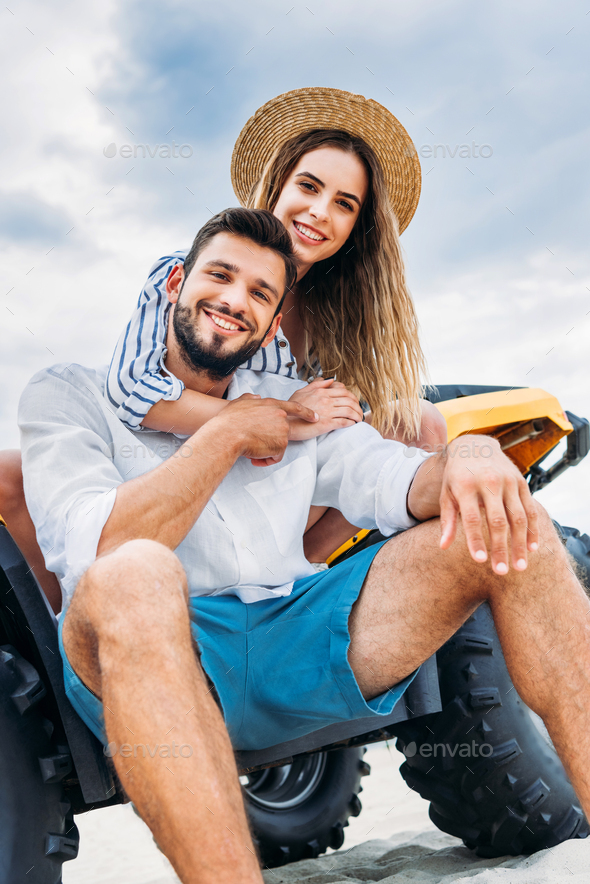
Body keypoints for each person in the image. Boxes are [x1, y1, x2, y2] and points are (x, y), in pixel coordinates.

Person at [19, 208, 590, 884]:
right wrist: (229, 432)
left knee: (501, 515)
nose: (236, 301)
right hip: (147, 654)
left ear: (269, 323)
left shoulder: (296, 406)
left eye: (261, 294)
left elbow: (392, 477)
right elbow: (99, 546)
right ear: (175, 281)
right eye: (220, 276)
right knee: (134, 571)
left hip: (298, 640)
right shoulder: (69, 395)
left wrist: (469, 459)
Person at [0, 88, 447, 613]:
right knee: (12, 472)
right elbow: (134, 394)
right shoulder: (184, 275)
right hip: (166, 456)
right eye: (309, 185)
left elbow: (345, 435)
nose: (320, 212)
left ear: (355, 229)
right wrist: (281, 420)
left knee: (420, 424)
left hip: (268, 482)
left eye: (344, 204)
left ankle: (294, 579)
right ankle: (65, 623)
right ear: (278, 183)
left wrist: (302, 428)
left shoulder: (340, 319)